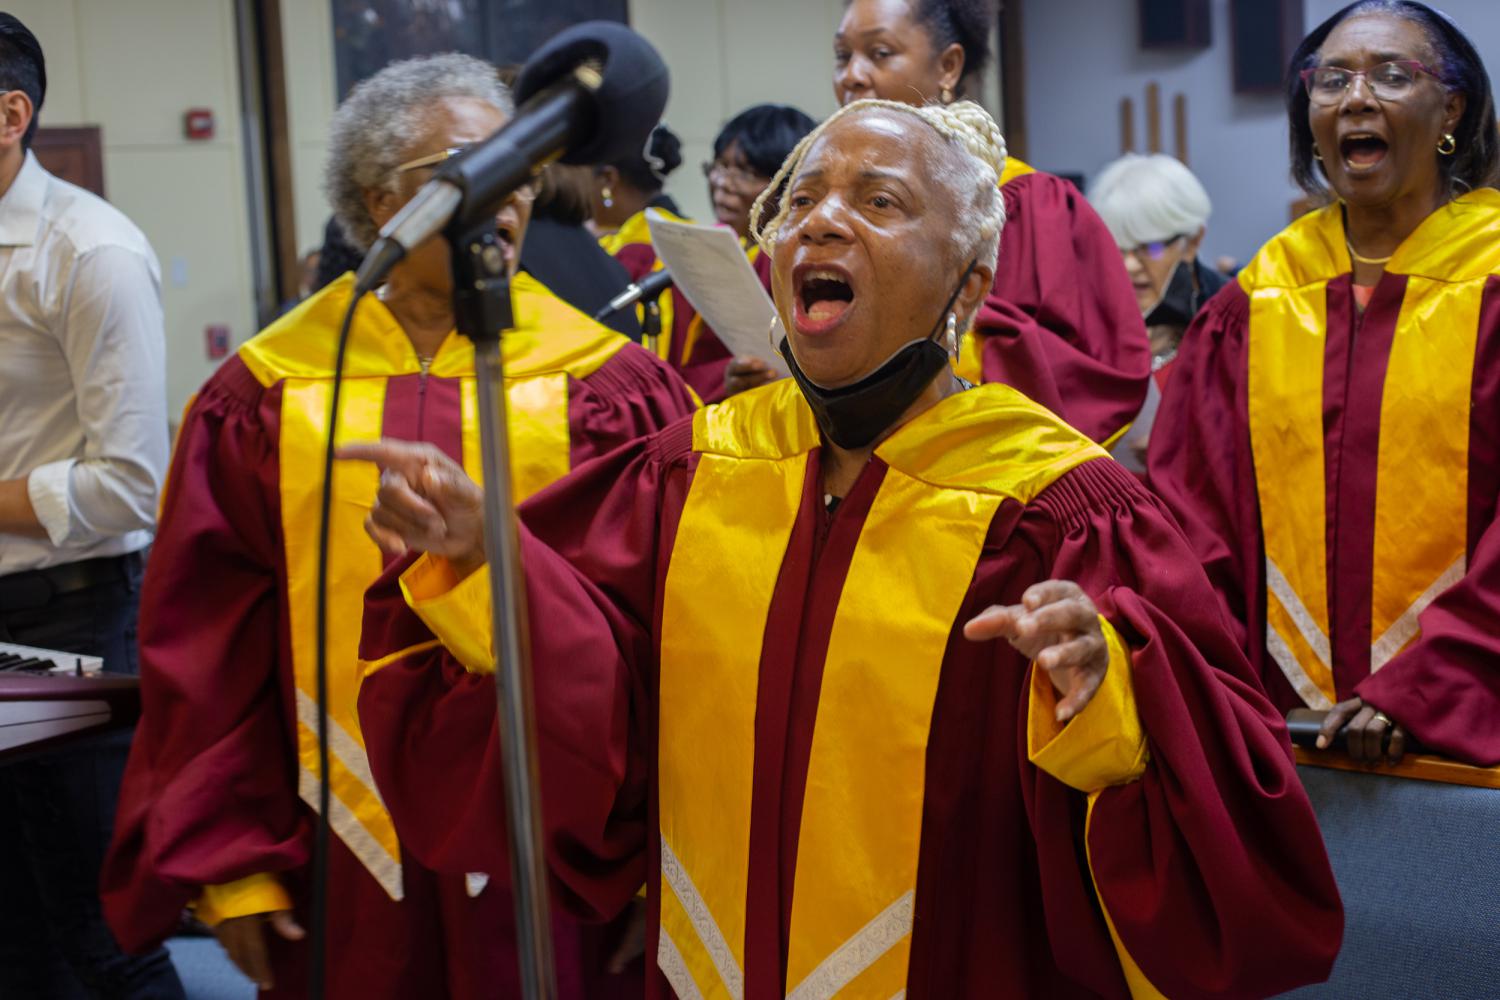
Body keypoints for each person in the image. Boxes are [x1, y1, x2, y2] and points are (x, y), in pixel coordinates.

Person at [347, 99, 1341, 998]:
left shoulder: (1066, 510)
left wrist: (1116, 683)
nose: (820, 221)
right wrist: (487, 568)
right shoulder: (689, 471)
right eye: (800, 201)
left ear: (972, 282)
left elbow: (1233, 810)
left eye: (881, 202)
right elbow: (597, 696)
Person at [101, 54, 696, 998]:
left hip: (553, 838)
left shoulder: (607, 386)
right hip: (333, 841)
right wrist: (232, 860)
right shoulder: (270, 393)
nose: (503, 198)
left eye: (518, 174)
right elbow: (209, 648)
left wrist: (651, 855)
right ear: (382, 205)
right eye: (469, 168)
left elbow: (665, 637)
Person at [1148, 0, 1500, 767]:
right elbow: (1195, 518)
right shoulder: (1257, 301)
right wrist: (1228, 689)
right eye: (1331, 79)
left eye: (1392, 75)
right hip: (1282, 733)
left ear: (1454, 107)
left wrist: (1427, 684)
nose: (1357, 98)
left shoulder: (1494, 282)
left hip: (1473, 727)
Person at [0, 14, 184, 998]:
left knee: (99, 923)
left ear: (10, 114)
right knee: (14, 924)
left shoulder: (89, 249)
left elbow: (130, 483)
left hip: (69, 611)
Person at [833, 0, 1150, 444]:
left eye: (880, 53)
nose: (852, 75)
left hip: (982, 481)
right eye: (842, 56)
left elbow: (1090, 380)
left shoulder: (1024, 205)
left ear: (948, 66)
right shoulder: (823, 214)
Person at [1088, 153, 1227, 471]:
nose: (1130, 265)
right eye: (1117, 249)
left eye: (1149, 248)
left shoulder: (1228, 328)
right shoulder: (1086, 331)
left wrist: (1184, 449)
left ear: (1193, 241)